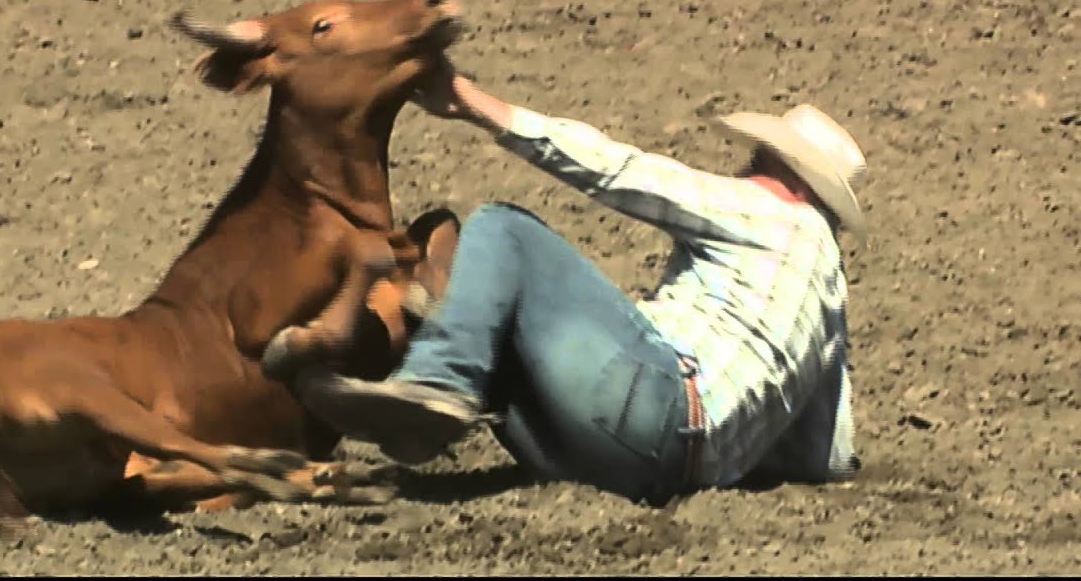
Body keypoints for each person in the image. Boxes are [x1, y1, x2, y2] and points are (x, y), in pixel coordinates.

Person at [282, 62, 868, 506]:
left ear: (779, 168)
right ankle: (408, 396)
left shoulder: (762, 210)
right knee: (489, 319)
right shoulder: (829, 289)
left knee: (503, 231)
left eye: (757, 159)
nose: (745, 169)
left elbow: (625, 173)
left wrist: (474, 104)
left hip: (659, 407)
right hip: (665, 474)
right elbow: (830, 454)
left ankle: (432, 384)